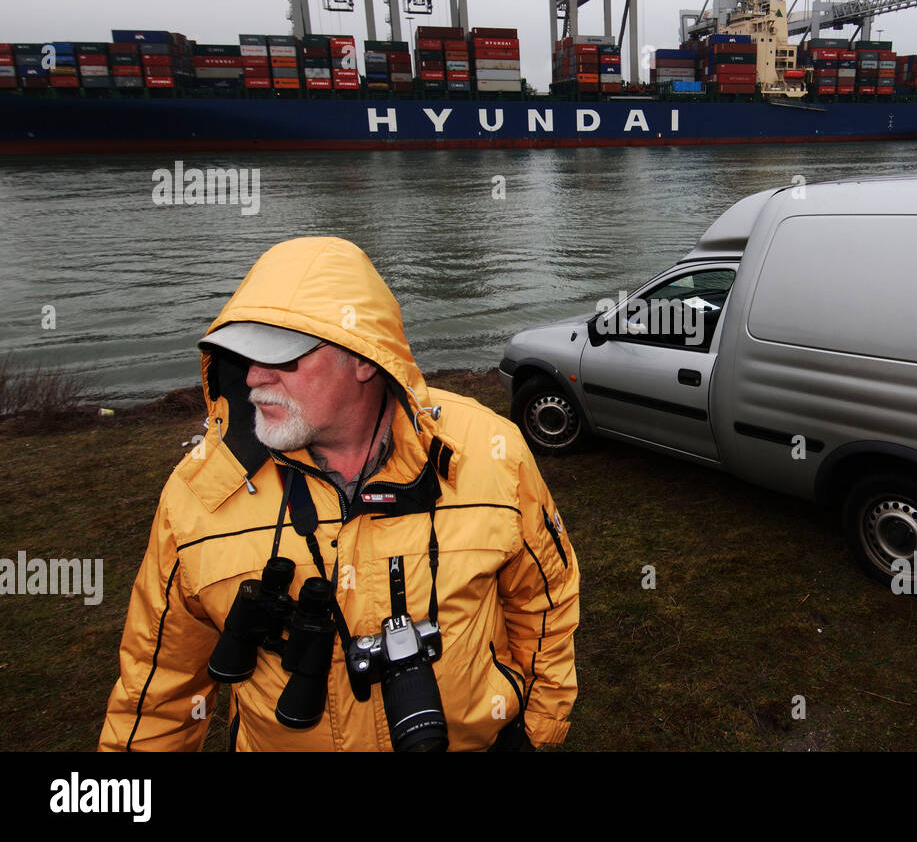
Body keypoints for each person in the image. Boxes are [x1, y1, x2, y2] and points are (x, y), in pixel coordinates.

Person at [99, 236, 578, 751]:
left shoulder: (490, 454)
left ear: (365, 359)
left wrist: (535, 732)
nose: (255, 378)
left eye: (282, 358)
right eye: (245, 356)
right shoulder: (198, 497)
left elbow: (544, 601)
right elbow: (158, 685)